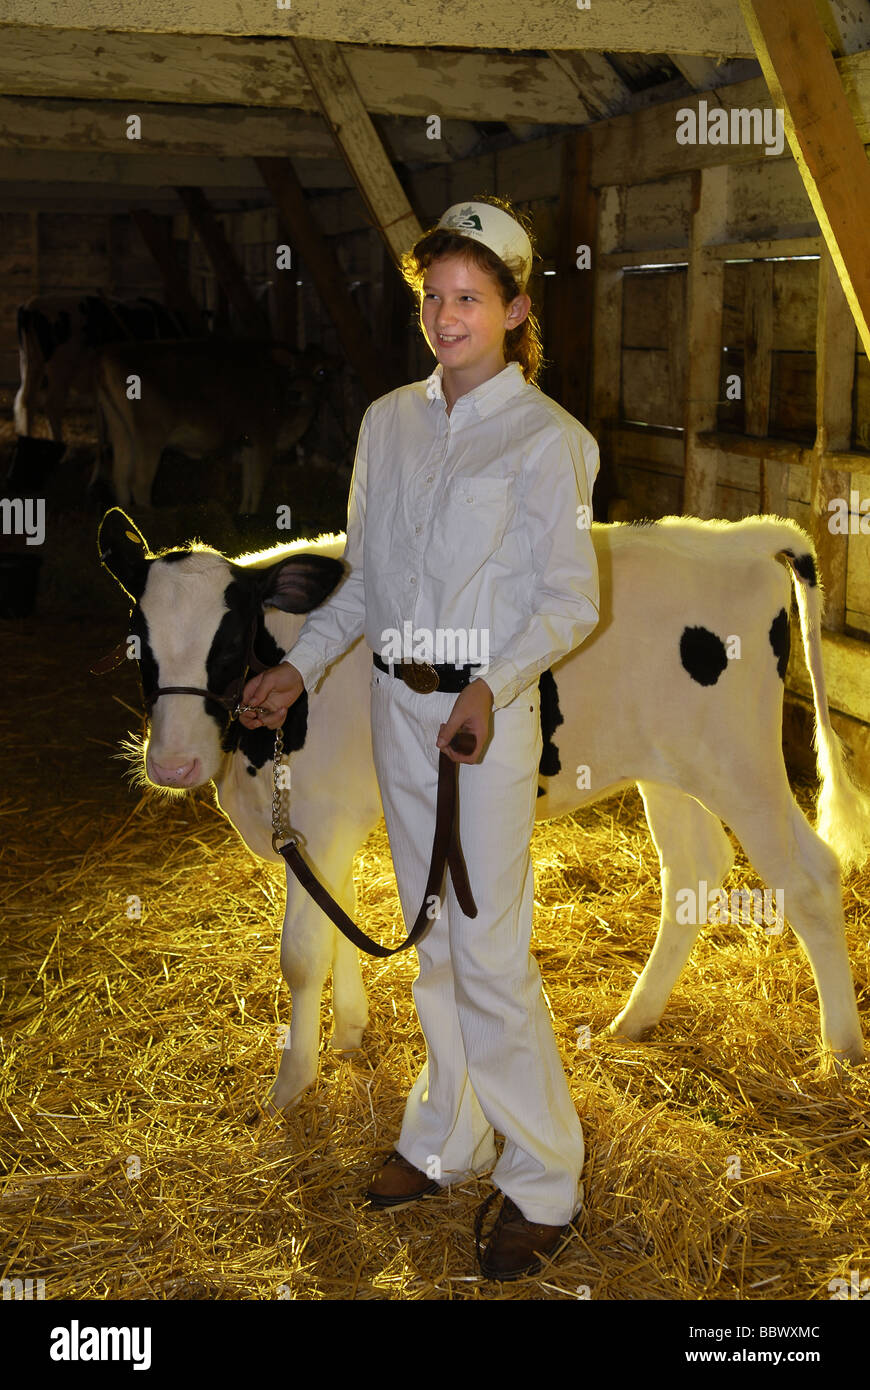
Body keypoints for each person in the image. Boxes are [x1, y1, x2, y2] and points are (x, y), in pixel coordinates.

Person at [238, 195, 600, 1281]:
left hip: (477, 723)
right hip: (401, 709)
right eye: (433, 297)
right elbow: (369, 582)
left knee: (488, 952)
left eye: (469, 299)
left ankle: (544, 1176)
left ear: (515, 307)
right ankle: (449, 1133)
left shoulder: (550, 441)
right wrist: (300, 664)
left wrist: (492, 684)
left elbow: (571, 599)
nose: (447, 317)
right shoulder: (389, 421)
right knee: (432, 936)